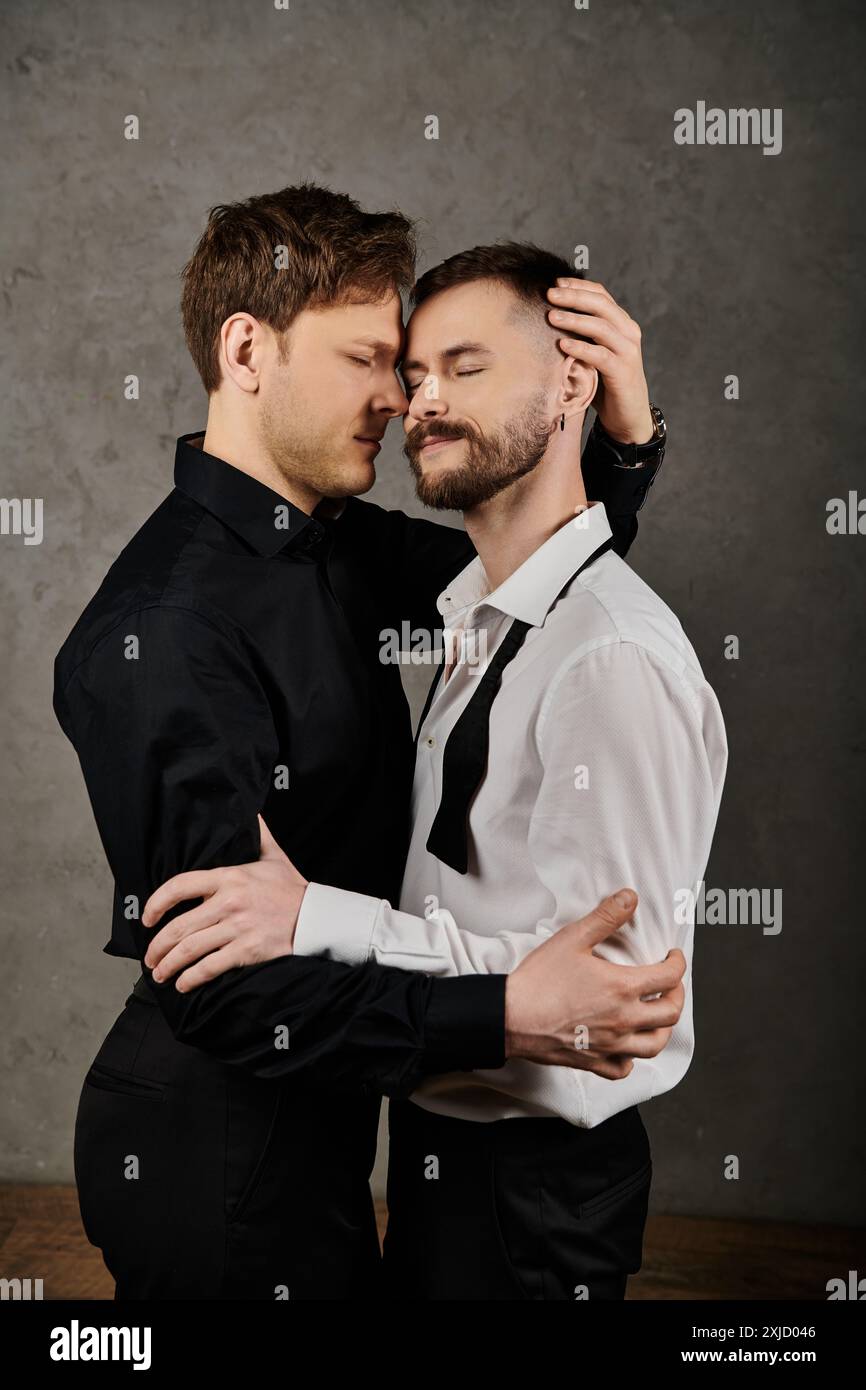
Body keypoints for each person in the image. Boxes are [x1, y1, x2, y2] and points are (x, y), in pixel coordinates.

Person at [54, 185, 676, 1300]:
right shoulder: (164, 629)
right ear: (247, 350)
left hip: (334, 1124)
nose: (399, 398)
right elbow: (228, 991)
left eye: (410, 367)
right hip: (217, 1155)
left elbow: (539, 585)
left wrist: (618, 438)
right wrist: (504, 1013)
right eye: (366, 361)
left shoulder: (330, 539)